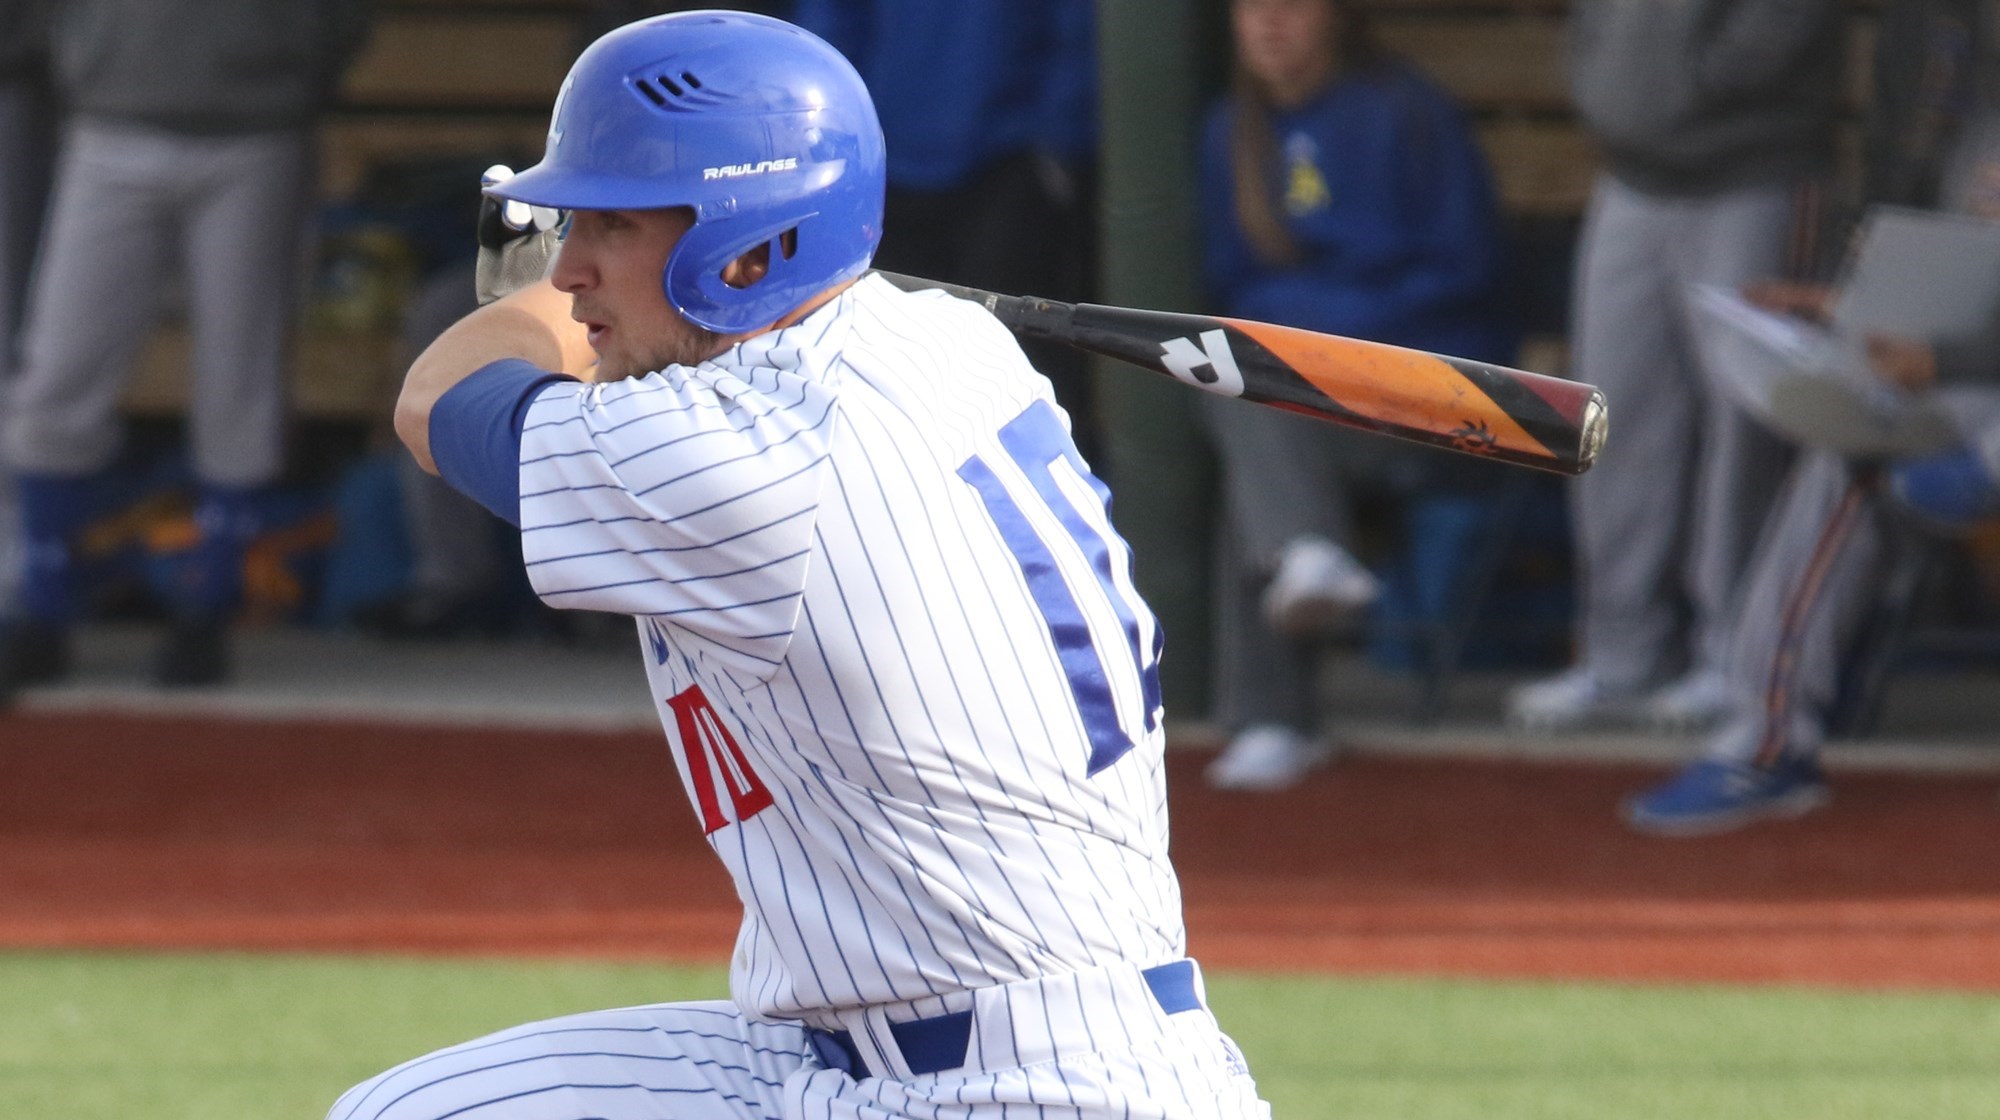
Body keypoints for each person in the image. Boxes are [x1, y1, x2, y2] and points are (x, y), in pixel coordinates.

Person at [328, 13, 1271, 1120]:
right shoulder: (952, 348)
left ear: (747, 248)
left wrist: (563, 304)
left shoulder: (737, 460)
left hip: (1014, 1089)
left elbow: (440, 397)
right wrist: (658, 274)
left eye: (610, 224)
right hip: (910, 1041)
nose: (571, 267)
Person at [1623, 0, 2000, 835]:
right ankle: (1766, 740)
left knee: (1896, 450)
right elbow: (1955, 284)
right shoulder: (1976, 108)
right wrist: (1843, 308)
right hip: (1975, 388)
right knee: (1855, 446)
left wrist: (1949, 364)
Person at [0, 0, 372, 700]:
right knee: (57, 372)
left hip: (258, 126)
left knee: (241, 372)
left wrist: (297, 71)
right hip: (109, 119)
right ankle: (41, 607)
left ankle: (206, 606)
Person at [1197, 0, 1514, 789]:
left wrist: (1331, 332)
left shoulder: (1407, 113)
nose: (1269, 23)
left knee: (1257, 435)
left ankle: (1275, 706)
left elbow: (1467, 269)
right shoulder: (1228, 130)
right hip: (1305, 401)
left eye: (1291, 5)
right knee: (1240, 396)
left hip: (1419, 397)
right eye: (1250, 7)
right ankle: (1302, 559)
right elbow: (1230, 278)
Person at [1506, 0, 1844, 732]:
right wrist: (1614, 86)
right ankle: (1621, 654)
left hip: (1753, 173)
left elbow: (1777, 31)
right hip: (1630, 177)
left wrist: (1684, 83)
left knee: (1746, 423)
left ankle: (1734, 654)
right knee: (1609, 418)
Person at [790, 0, 1101, 459]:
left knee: (1018, 370)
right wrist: (834, 144)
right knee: (888, 372)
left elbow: (1074, 33)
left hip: (1006, 169)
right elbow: (826, 31)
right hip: (884, 170)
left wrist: (1052, 145)